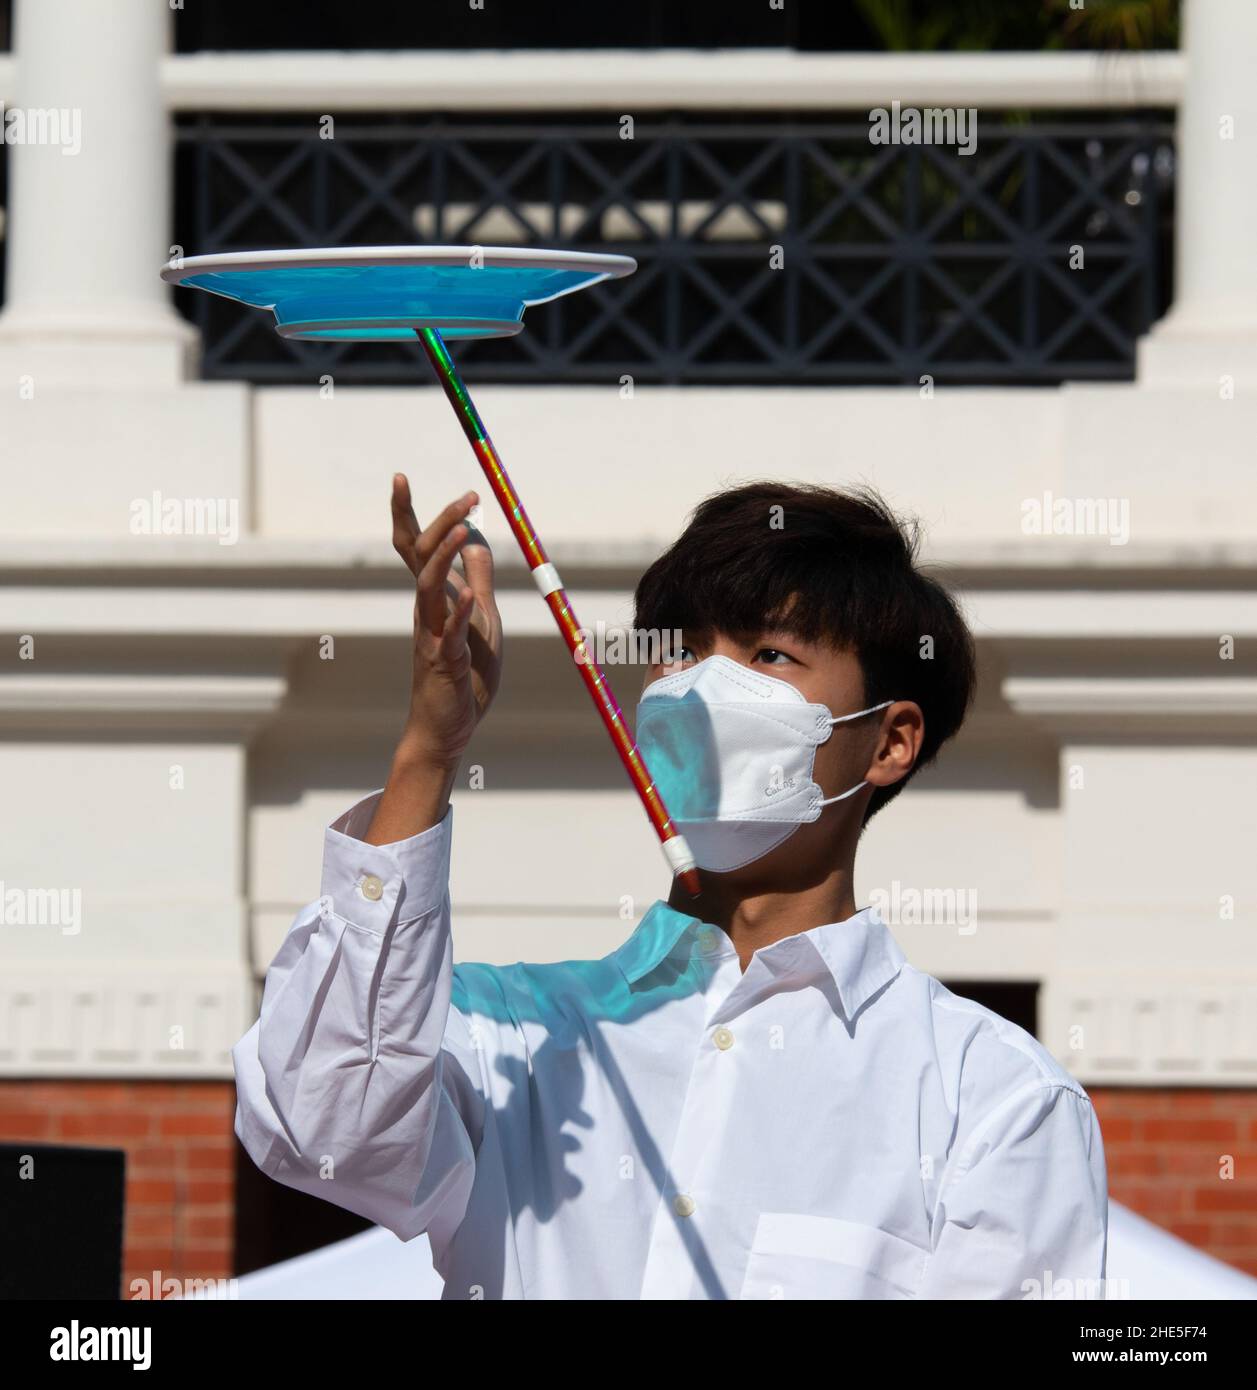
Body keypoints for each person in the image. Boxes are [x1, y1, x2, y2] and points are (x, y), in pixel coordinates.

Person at [232, 475, 1109, 1300]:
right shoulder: (509, 1033)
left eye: (768, 654)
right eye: (680, 652)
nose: (700, 688)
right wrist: (429, 748)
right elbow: (322, 1129)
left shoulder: (990, 1098)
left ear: (889, 742)